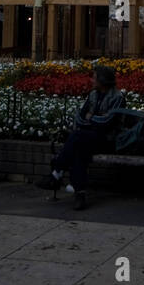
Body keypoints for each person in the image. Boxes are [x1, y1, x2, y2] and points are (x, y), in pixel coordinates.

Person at [35, 65, 126, 210]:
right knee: (78, 151)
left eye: (94, 77)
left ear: (103, 80)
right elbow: (80, 117)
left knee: (77, 137)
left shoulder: (117, 97)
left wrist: (92, 119)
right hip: (89, 137)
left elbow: (108, 122)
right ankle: (79, 195)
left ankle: (56, 173)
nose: (92, 80)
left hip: (108, 140)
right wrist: (94, 120)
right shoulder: (93, 95)